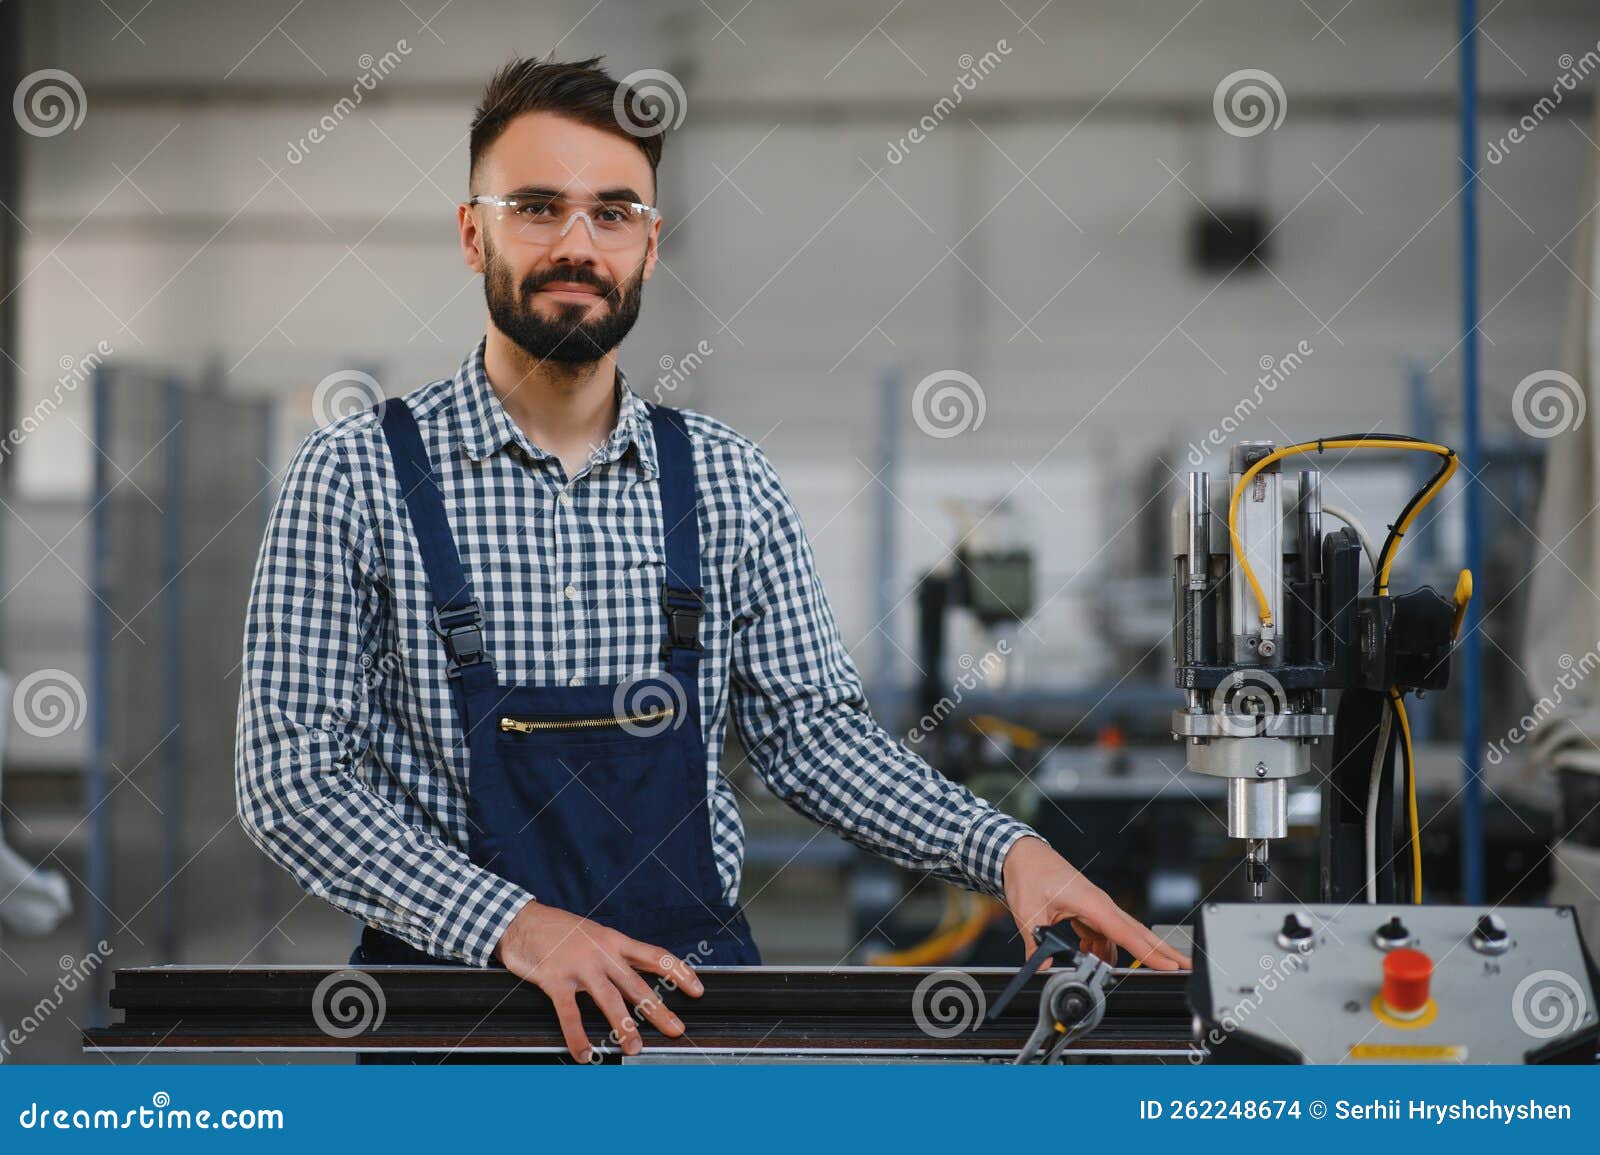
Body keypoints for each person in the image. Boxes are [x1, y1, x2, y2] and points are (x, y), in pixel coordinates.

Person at [234, 54, 1189, 1065]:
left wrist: (1009, 851)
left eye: (613, 213)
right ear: (473, 232)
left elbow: (813, 739)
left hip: (691, 1019)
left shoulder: (727, 481)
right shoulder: (353, 478)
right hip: (449, 1020)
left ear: (649, 245)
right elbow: (291, 779)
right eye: (537, 208)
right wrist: (512, 924)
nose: (576, 244)